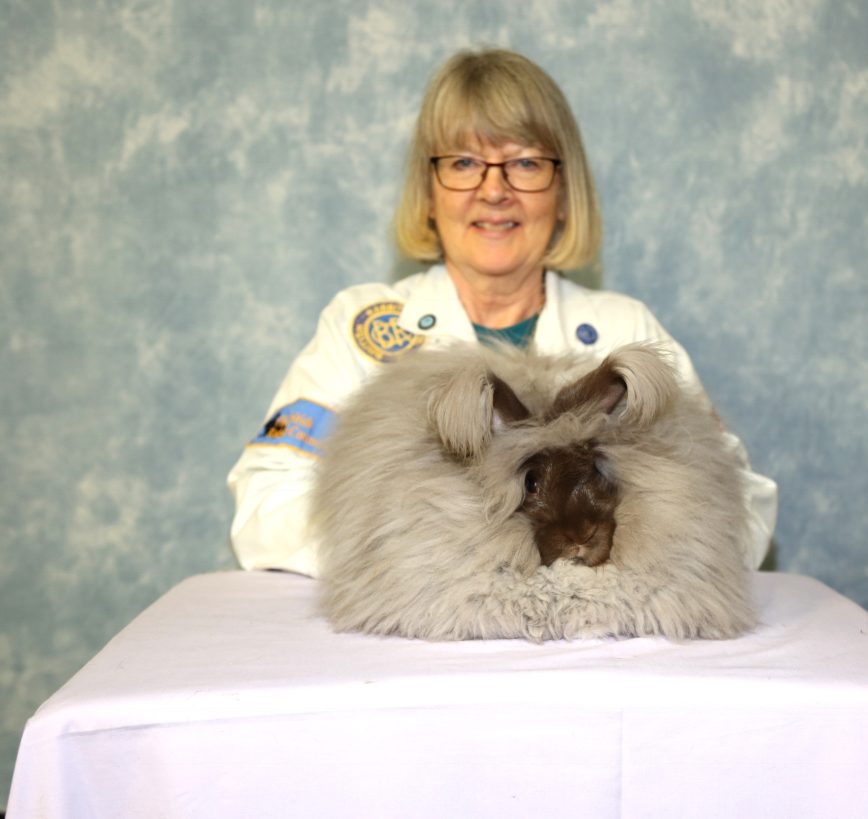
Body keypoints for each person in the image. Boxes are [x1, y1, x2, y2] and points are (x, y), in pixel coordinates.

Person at [227, 48, 777, 577]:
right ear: (428, 193)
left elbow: (740, 508)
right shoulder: (361, 327)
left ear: (564, 195)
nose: (494, 190)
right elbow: (264, 504)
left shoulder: (626, 331)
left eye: (526, 163)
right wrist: (452, 556)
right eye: (464, 162)